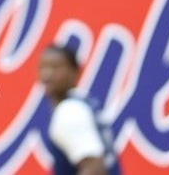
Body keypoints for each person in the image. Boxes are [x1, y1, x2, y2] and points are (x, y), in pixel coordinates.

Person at [38, 44, 122, 175]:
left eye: (56, 68)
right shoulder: (83, 102)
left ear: (74, 71)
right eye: (43, 67)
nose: (47, 74)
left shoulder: (69, 111)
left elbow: (94, 169)